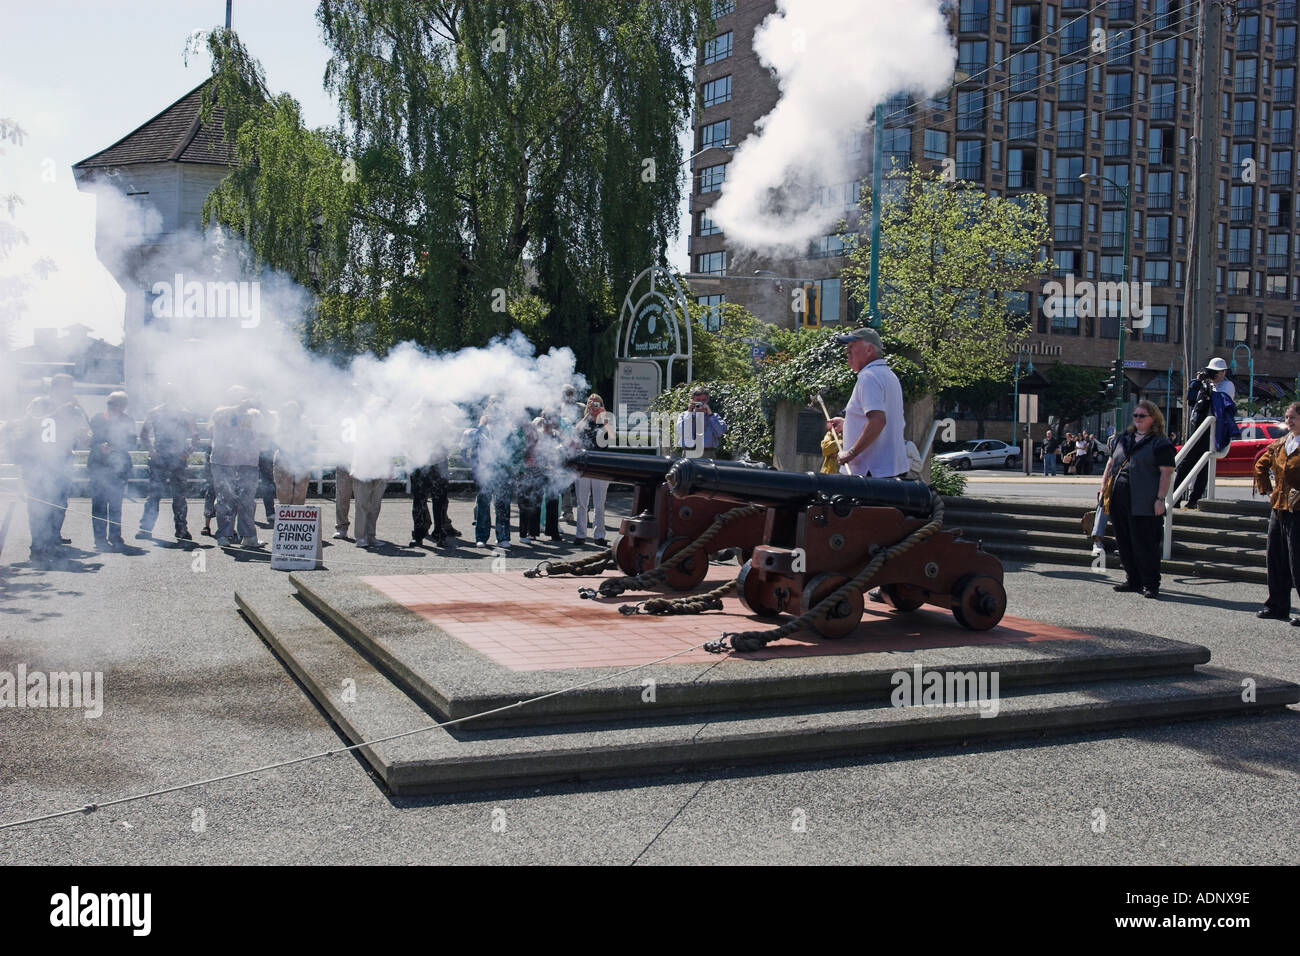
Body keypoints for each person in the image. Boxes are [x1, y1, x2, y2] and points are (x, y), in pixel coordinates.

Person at [1096, 400, 1175, 599]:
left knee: (1145, 542)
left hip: (1145, 499)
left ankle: (1150, 583)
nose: (1137, 419)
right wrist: (1104, 487)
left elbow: (1166, 473)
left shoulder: (1161, 443)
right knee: (1123, 540)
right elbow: (1111, 463)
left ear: (1153, 419)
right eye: (1136, 416)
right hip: (1119, 495)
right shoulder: (1124, 438)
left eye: (1142, 416)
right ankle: (1133, 579)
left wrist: (1160, 499)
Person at [827, 327, 908, 478]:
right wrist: (848, 422)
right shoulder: (888, 375)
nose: (846, 351)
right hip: (889, 469)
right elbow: (883, 420)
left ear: (869, 349)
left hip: (870, 473)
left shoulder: (868, 377)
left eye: (851, 346)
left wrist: (851, 453)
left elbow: (877, 421)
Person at [1253, 402, 1300, 623]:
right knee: (1275, 558)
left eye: (1293, 417)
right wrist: (1264, 484)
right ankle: (1277, 606)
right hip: (1279, 507)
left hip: (1298, 509)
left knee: (1297, 561)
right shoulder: (1282, 442)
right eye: (1287, 417)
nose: (1288, 421)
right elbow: (1261, 462)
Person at [1175, 358, 1239, 508]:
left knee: (1200, 465)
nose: (1214, 375)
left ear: (1224, 372)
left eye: (1216, 372)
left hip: (1211, 430)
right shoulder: (1205, 384)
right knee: (1186, 464)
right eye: (1212, 372)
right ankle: (1176, 498)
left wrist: (1208, 388)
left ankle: (1192, 500)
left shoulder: (1227, 385)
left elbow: (1219, 404)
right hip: (1198, 428)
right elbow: (1191, 401)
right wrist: (1196, 383)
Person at [137, 386, 197, 542]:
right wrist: (151, 451)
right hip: (160, 457)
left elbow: (195, 435)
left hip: (178, 458)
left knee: (179, 496)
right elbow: (144, 433)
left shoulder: (185, 414)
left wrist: (188, 452)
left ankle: (181, 529)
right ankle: (146, 528)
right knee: (154, 494)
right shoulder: (156, 412)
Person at [8, 397, 63, 564]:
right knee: (39, 513)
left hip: (46, 473)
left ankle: (44, 547)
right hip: (35, 474)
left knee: (45, 513)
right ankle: (40, 548)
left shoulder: (42, 425)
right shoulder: (27, 426)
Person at [209, 387, 264, 549]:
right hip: (223, 462)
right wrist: (239, 407)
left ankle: (249, 537)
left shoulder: (253, 414)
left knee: (247, 501)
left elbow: (265, 428)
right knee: (225, 499)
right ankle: (224, 535)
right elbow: (219, 416)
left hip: (248, 462)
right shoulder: (220, 411)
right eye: (236, 396)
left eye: (242, 397)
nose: (240, 400)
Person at [87, 391, 136, 551]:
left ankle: (115, 536)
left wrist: (114, 448)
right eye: (109, 403)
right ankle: (99, 539)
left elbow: (132, 442)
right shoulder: (97, 419)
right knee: (98, 504)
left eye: (114, 403)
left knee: (116, 504)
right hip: (98, 465)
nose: (111, 406)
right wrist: (98, 446)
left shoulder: (128, 421)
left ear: (122, 406)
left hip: (119, 467)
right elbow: (89, 439)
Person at [48, 373, 90, 543]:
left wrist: (85, 435)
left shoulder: (74, 408)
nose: (71, 390)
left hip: (65, 458)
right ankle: (43, 539)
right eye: (68, 386)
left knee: (61, 500)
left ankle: (55, 535)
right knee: (46, 500)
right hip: (45, 460)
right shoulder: (43, 404)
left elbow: (85, 429)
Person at [574, 394, 612, 545]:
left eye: (597, 405)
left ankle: (599, 535)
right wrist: (587, 414)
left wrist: (602, 418)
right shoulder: (583, 422)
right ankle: (580, 534)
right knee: (581, 503)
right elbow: (576, 435)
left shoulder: (606, 422)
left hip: (600, 466)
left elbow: (611, 437)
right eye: (592, 405)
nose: (595, 407)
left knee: (599, 503)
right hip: (583, 466)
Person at [273, 401, 313, 507]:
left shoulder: (305, 423)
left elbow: (308, 441)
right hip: (283, 457)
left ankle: (296, 518)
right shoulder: (279, 423)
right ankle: (285, 516)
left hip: (301, 458)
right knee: (284, 490)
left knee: (300, 491)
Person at [675, 388, 727, 458]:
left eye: (704, 400)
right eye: (698, 400)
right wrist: (689, 412)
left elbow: (720, 432)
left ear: (707, 400)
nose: (701, 403)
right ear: (692, 400)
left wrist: (710, 414)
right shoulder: (684, 415)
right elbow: (680, 431)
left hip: (708, 453)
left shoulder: (714, 416)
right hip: (689, 452)